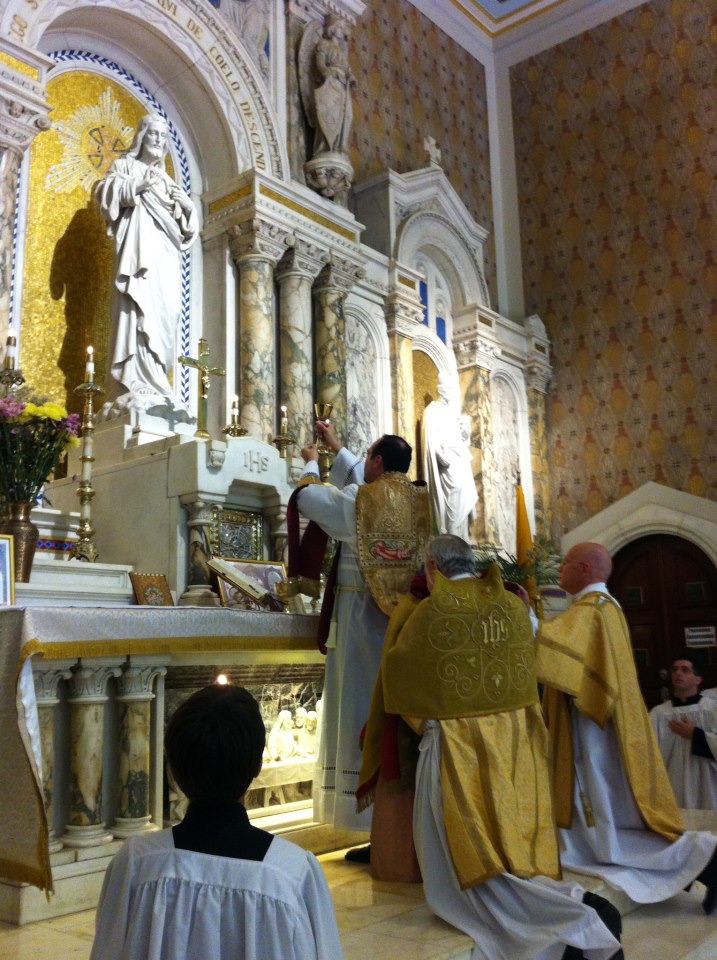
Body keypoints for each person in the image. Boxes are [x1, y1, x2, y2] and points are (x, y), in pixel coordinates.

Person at [359, 534, 623, 960]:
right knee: (505, 841)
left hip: (457, 752)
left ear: (431, 569)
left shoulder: (431, 611)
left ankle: (568, 915)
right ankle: (565, 906)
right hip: (515, 747)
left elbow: (398, 674)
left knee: (467, 866)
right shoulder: (512, 606)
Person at [90, 684, 343, 960]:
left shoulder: (137, 865)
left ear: (173, 769)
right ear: (259, 764)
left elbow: (107, 950)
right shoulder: (292, 874)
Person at [536, 542, 717, 914]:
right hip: (600, 726)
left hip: (592, 730)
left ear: (584, 569)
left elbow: (553, 649)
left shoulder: (593, 609)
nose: (560, 572)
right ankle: (699, 861)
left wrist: (521, 615)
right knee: (611, 813)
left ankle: (705, 858)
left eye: (566, 565)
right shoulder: (604, 607)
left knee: (604, 815)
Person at [294, 423, 430, 838]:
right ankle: (397, 812)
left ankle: (366, 817)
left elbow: (313, 501)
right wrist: (338, 447)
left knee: (356, 706)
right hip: (402, 624)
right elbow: (361, 489)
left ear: (375, 462)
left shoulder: (362, 500)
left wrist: (312, 465)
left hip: (359, 619)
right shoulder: (417, 501)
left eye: (365, 457)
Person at [96, 114, 199, 416]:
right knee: (136, 310)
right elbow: (105, 195)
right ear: (141, 137)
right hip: (136, 256)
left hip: (164, 258)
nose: (158, 140)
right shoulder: (125, 167)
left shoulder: (168, 182)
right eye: (153, 134)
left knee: (168, 310)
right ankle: (133, 381)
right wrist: (136, 186)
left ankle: (157, 381)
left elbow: (185, 232)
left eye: (163, 136)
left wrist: (189, 209)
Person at [650, 656, 717, 809]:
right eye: (674, 670)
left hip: (708, 782)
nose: (678, 673)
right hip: (672, 779)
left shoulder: (712, 709)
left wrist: (696, 735)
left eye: (685, 670)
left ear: (697, 679)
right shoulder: (658, 713)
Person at [421, 373, 477, 539]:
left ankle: (462, 538)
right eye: (450, 389)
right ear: (442, 390)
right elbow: (430, 439)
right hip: (446, 461)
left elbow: (462, 440)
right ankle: (452, 536)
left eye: (454, 390)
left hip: (460, 459)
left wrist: (465, 433)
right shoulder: (433, 410)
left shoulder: (453, 413)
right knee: (454, 493)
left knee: (464, 494)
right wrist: (438, 453)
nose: (453, 393)